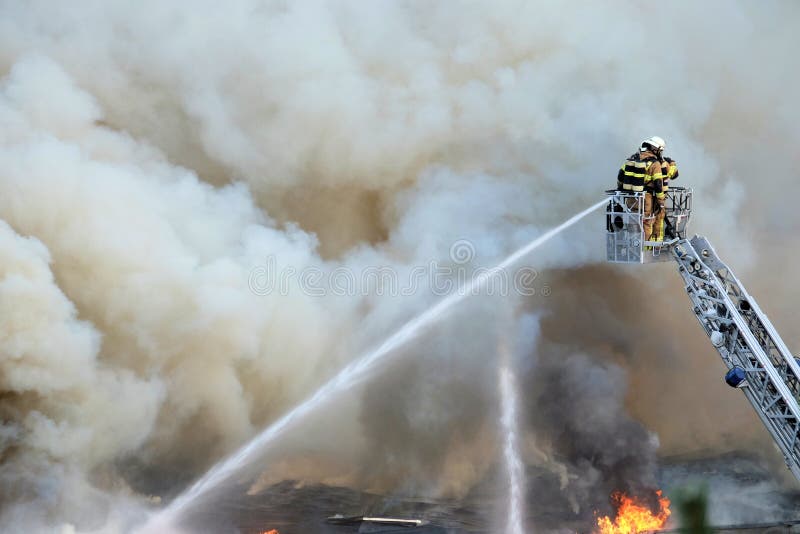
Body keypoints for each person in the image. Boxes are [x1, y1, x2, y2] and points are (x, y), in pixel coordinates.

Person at [617, 136, 666, 243]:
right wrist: (661, 202)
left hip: (630, 199)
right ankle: (644, 249)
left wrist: (622, 191)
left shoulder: (632, 160)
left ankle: (632, 248)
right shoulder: (655, 164)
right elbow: (658, 184)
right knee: (646, 223)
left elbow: (620, 177)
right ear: (655, 149)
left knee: (633, 222)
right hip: (646, 200)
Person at [657, 156, 679, 240]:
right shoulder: (663, 164)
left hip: (644, 199)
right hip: (659, 198)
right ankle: (658, 241)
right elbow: (674, 174)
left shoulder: (640, 162)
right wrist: (672, 164)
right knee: (659, 220)